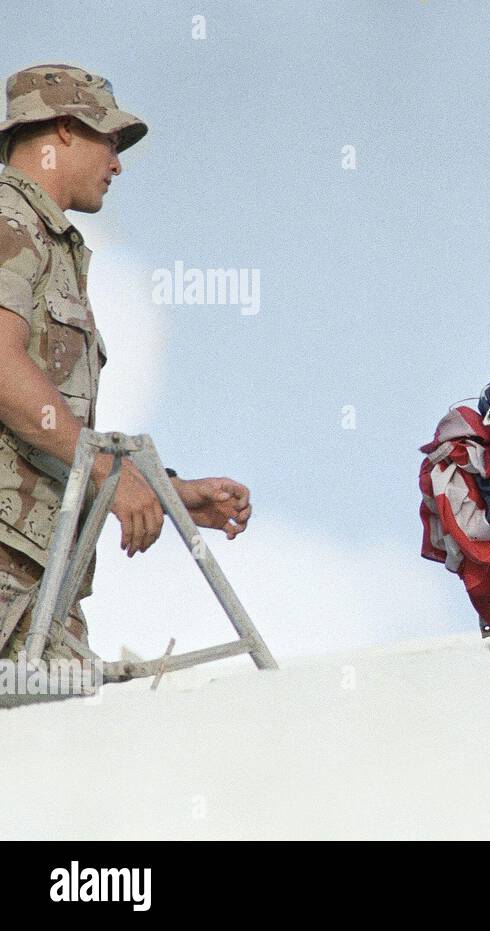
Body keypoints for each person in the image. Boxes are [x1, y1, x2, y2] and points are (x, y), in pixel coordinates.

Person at [0, 63, 252, 667]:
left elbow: (49, 420)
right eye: (108, 141)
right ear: (62, 129)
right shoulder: (8, 221)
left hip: (38, 571)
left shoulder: (44, 237)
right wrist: (114, 475)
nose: (118, 163)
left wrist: (168, 492)